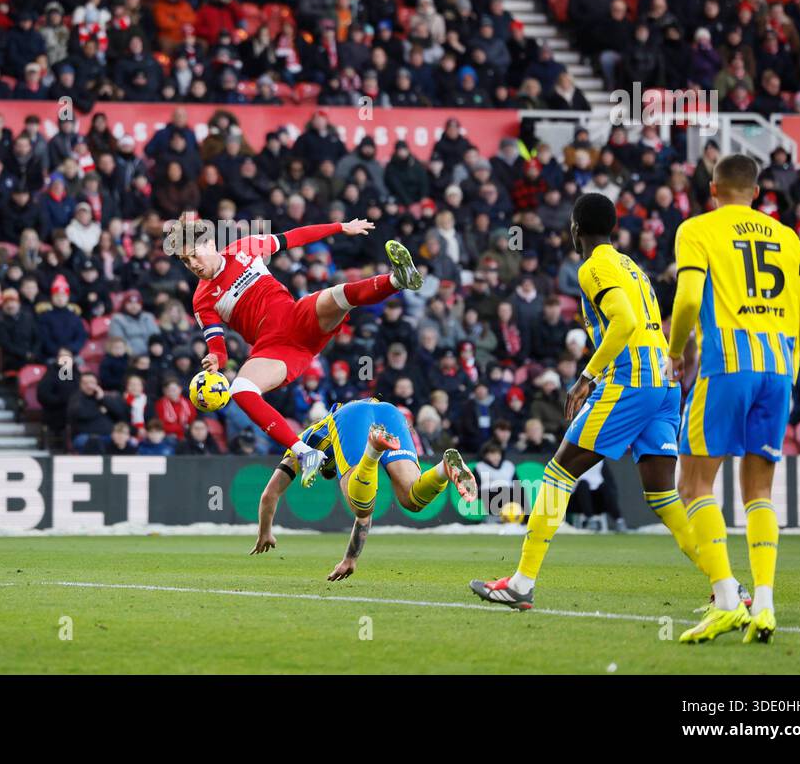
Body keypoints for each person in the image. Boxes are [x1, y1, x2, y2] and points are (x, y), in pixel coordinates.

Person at [470, 194, 697, 610]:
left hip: (631, 381)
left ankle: (521, 582)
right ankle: (727, 586)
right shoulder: (631, 265)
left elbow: (625, 322)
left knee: (558, 473)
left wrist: (586, 377)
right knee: (663, 495)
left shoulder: (594, 266)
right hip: (666, 383)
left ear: (575, 228)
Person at [667, 154, 800, 644]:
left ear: (713, 189)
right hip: (777, 371)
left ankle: (728, 601)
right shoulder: (790, 238)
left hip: (727, 367)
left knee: (692, 483)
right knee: (758, 492)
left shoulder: (698, 229)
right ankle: (766, 605)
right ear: (757, 193)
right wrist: (789, 357)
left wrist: (676, 353)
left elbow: (688, 300)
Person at [176, 215, 424, 487]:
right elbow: (217, 345)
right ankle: (306, 453)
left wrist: (340, 227)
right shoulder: (201, 300)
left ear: (210, 243)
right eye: (186, 261)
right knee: (241, 389)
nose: (193, 265)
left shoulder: (244, 248)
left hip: (297, 317)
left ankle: (398, 280)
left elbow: (294, 237)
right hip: (274, 349)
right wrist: (215, 358)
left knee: (339, 295)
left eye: (194, 255)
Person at [252, 398, 477, 580]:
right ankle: (443, 468)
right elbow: (364, 517)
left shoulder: (301, 444)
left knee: (359, 503)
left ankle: (373, 449)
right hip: (389, 411)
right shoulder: (339, 459)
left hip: (350, 416)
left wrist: (265, 533)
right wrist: (351, 558)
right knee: (412, 499)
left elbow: (269, 494)